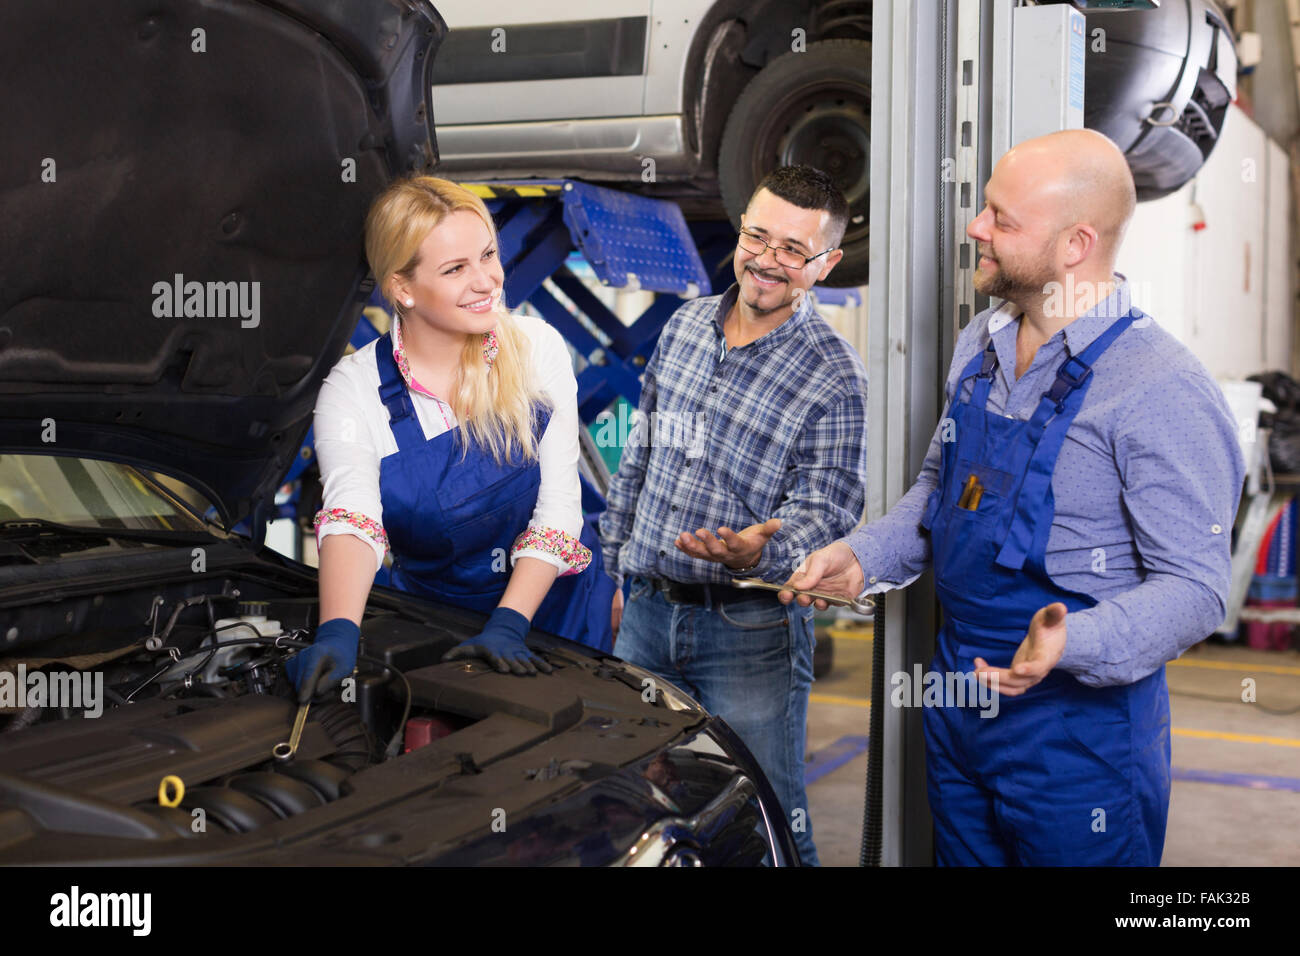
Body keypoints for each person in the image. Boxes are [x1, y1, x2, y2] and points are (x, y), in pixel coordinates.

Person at [784, 129, 1246, 865]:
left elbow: (1194, 590)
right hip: (960, 702)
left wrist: (1072, 643)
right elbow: (941, 492)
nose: (975, 229)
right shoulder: (981, 343)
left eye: (1001, 218)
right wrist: (861, 558)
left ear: (1075, 244)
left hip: (1075, 735)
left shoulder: (1161, 388)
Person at [600, 165, 869, 866]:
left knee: (770, 818)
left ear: (825, 264)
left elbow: (829, 503)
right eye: (758, 236)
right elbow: (641, 455)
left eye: (792, 250)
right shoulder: (686, 326)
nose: (766, 260)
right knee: (639, 798)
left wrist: (759, 554)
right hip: (650, 615)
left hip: (749, 631)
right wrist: (617, 575)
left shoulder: (834, 372)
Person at [293, 175, 615, 693]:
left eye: (488, 255)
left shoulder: (536, 349)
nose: (487, 281)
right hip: (440, 624)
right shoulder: (354, 391)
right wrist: (338, 631)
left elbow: (558, 508)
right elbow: (353, 520)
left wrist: (509, 624)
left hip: (558, 614)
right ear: (402, 288)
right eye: (455, 268)